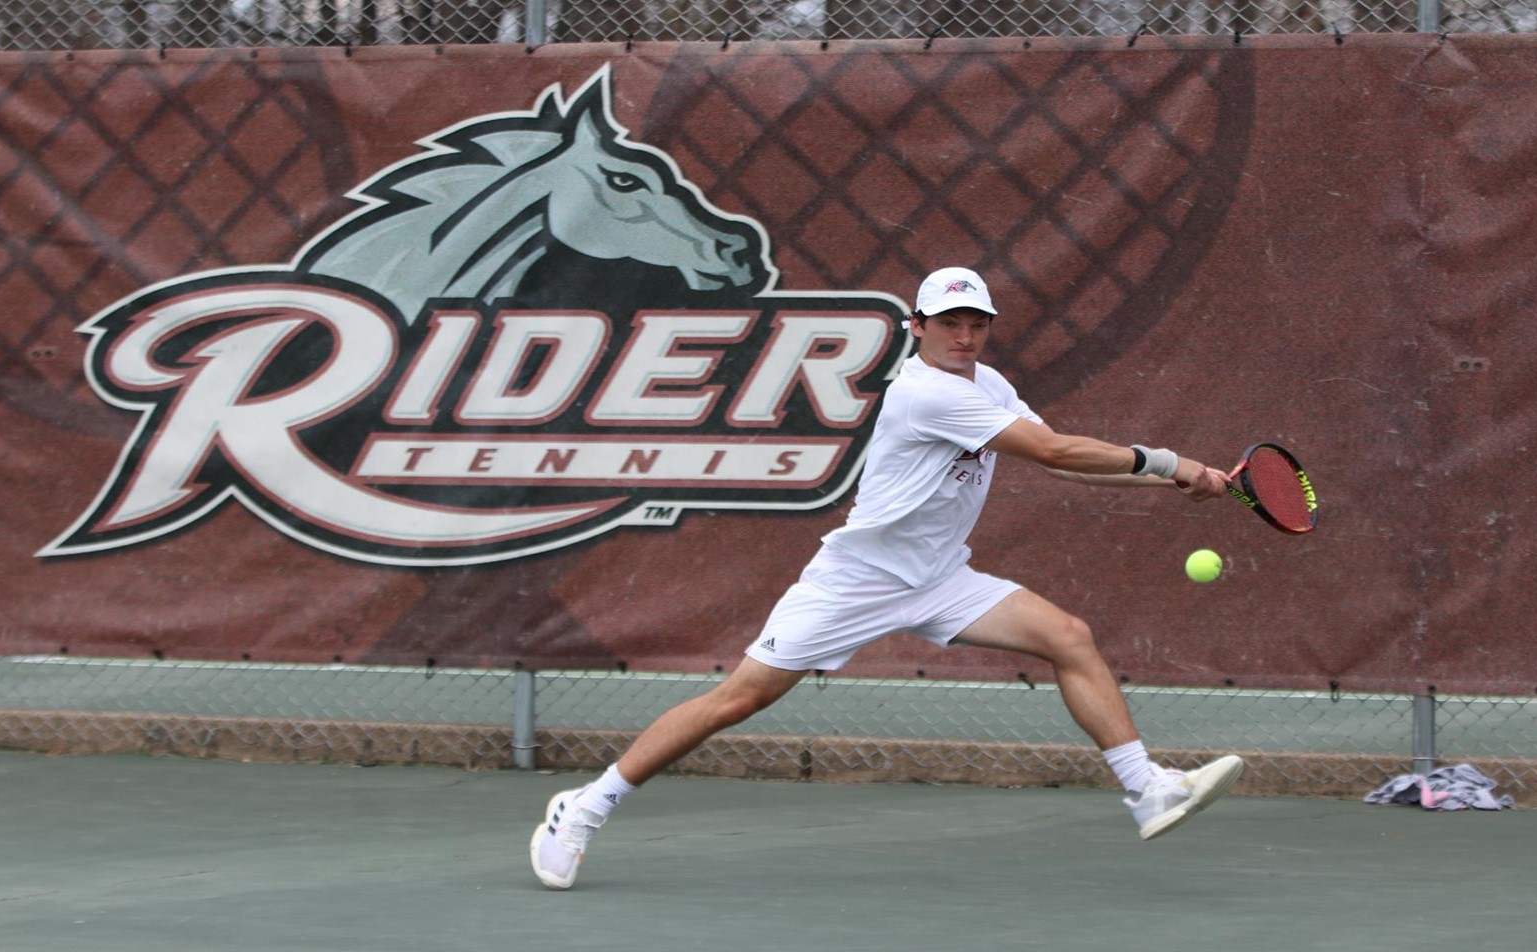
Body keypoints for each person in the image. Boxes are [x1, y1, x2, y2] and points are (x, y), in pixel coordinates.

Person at [531, 267, 1244, 890]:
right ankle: (584, 808)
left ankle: (1147, 789)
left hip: (939, 577)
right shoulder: (926, 393)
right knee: (737, 700)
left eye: (976, 323)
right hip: (857, 580)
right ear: (918, 326)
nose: (964, 335)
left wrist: (1178, 482)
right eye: (949, 322)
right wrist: (1169, 462)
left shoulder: (989, 384)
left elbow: (1064, 464)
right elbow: (1055, 449)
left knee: (1068, 636)